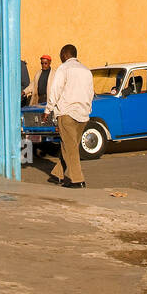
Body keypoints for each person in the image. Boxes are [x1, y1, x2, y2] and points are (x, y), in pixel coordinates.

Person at [44, 44, 94, 188]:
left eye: (60, 54)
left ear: (65, 54)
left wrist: (48, 109)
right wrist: (88, 110)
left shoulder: (64, 68)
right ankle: (57, 174)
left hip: (67, 113)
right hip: (83, 114)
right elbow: (91, 92)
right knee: (70, 146)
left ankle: (77, 179)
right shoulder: (86, 70)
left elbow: (56, 90)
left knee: (70, 147)